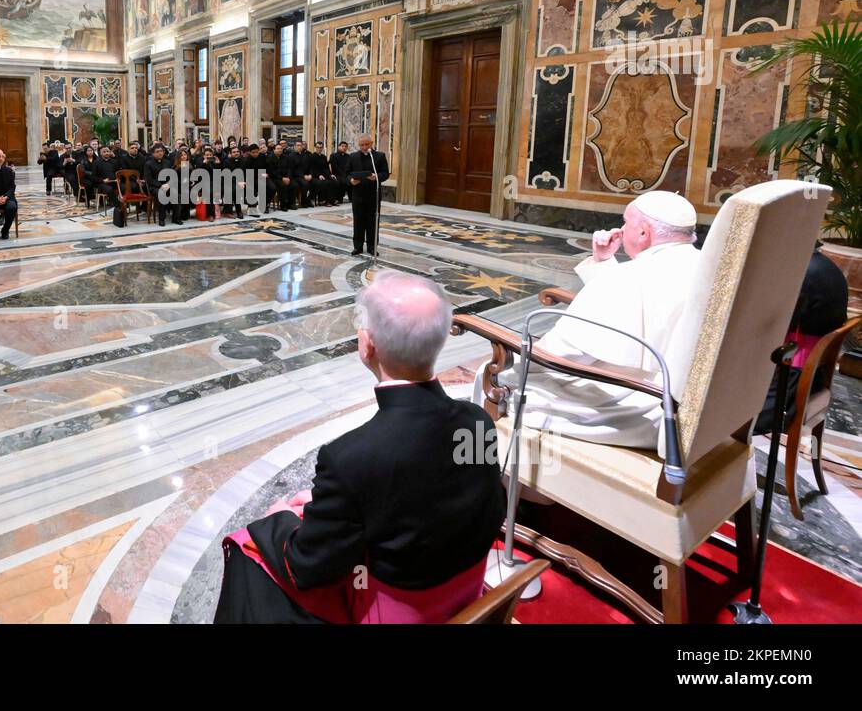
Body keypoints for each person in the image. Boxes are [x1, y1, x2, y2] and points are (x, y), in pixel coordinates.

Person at [214, 271, 505, 623]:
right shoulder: (477, 422)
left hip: (394, 613)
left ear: (366, 345)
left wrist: (282, 519)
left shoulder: (350, 458)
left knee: (249, 545)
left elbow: (306, 565)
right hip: (463, 595)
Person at [473, 190, 702, 453]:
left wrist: (516, 365)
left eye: (626, 222)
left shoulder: (626, 280)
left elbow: (557, 357)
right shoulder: (707, 267)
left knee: (492, 374)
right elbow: (636, 309)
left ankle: (490, 472)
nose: (621, 228)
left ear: (642, 233)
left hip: (633, 410)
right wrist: (603, 262)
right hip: (684, 402)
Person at [754, 243, 850, 434]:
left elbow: (786, 317)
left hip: (796, 367)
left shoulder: (803, 271)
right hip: (816, 360)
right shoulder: (824, 265)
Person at [345, 134, 389, 256]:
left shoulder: (379, 156)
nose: (364, 147)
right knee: (358, 222)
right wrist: (350, 180)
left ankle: (372, 247)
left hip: (373, 195)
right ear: (358, 145)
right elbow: (346, 174)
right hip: (358, 195)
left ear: (372, 143)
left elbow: (385, 173)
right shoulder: (353, 157)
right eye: (362, 145)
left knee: (372, 222)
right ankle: (358, 247)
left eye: (366, 144)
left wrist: (376, 177)